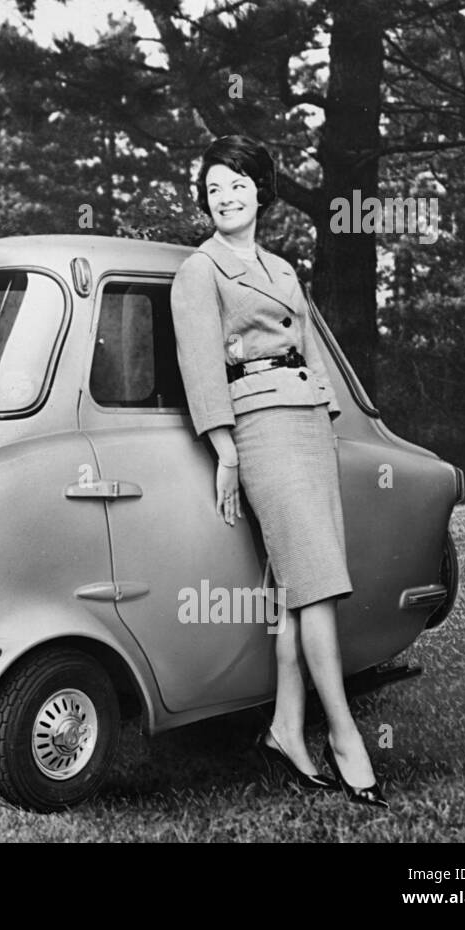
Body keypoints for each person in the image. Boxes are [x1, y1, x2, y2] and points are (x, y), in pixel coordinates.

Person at [169, 134, 389, 809]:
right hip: (260, 429)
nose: (225, 197)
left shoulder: (283, 269)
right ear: (205, 203)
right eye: (214, 189)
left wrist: (326, 420)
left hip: (307, 428)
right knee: (316, 587)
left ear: (260, 190)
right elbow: (201, 370)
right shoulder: (199, 272)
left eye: (236, 184)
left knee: (298, 587)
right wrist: (227, 451)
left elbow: (314, 354)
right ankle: (346, 739)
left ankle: (287, 729)